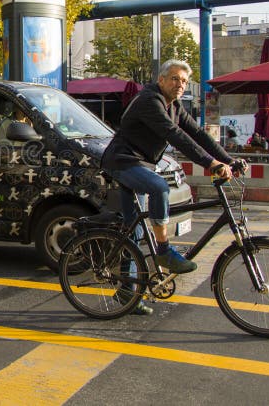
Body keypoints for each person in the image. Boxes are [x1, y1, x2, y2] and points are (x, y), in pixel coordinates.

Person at [101, 59, 242, 314]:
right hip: (122, 162)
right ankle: (164, 250)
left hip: (142, 165)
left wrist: (228, 159)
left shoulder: (174, 105)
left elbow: (198, 134)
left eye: (185, 81)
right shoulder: (149, 101)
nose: (180, 85)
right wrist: (211, 164)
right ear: (162, 80)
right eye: (175, 79)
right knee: (159, 188)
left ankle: (126, 293)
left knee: (134, 233)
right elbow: (174, 135)